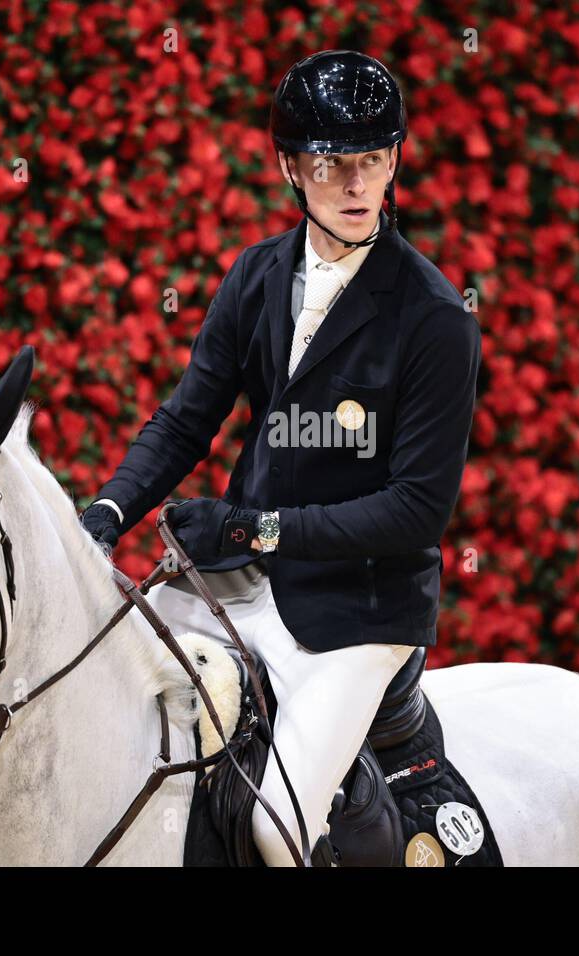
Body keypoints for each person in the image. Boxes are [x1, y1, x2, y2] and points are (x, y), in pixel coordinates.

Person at [79, 49, 481, 866]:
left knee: (277, 826)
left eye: (374, 161)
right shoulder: (257, 276)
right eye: (334, 166)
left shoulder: (434, 317)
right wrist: (104, 515)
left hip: (360, 611)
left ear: (396, 159)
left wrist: (258, 528)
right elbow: (188, 420)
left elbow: (416, 511)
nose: (358, 186)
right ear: (291, 167)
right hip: (240, 580)